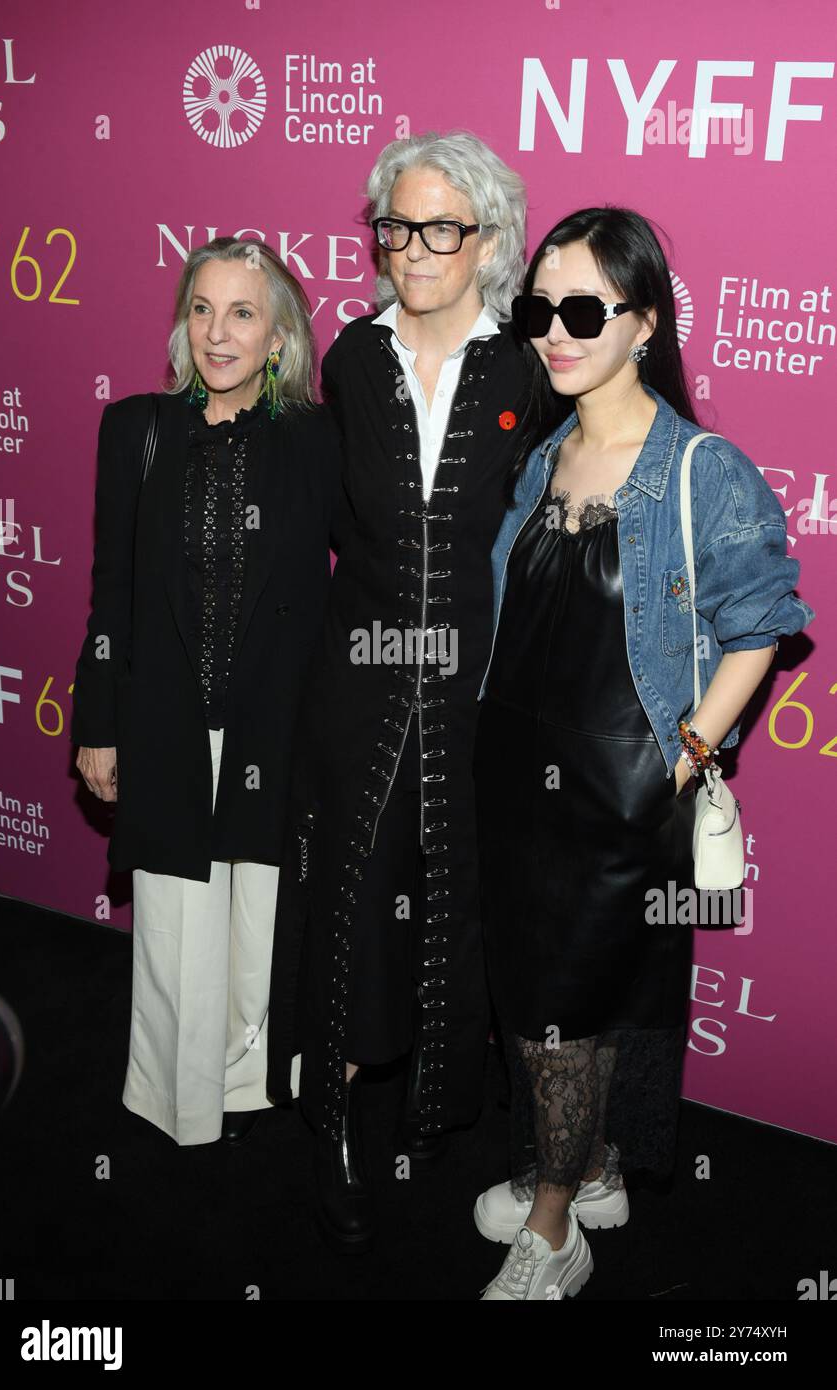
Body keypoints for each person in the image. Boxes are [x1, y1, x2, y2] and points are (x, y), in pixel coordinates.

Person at [471, 206, 815, 1300]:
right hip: (517, 785)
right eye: (539, 309)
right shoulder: (541, 455)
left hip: (622, 798)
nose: (557, 331)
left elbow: (760, 626)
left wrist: (682, 757)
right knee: (536, 1004)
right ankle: (593, 1168)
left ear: (643, 322)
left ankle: (554, 1224)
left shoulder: (699, 469)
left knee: (561, 1019)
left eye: (584, 309)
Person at [266, 130, 531, 1251]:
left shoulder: (526, 367)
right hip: (357, 683)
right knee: (347, 904)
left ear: (487, 240)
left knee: (460, 899)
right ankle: (330, 1126)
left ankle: (439, 1113)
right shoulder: (350, 359)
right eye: (393, 227)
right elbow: (316, 520)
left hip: (474, 689)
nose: (410, 251)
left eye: (438, 229)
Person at [71, 236, 339, 1147]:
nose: (217, 335)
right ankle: (176, 1098)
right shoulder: (135, 429)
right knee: (176, 922)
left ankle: (249, 1084)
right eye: (200, 309)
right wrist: (99, 721)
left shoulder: (314, 441)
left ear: (278, 339)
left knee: (260, 917)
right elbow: (112, 589)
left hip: (275, 724)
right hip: (166, 721)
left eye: (242, 314)